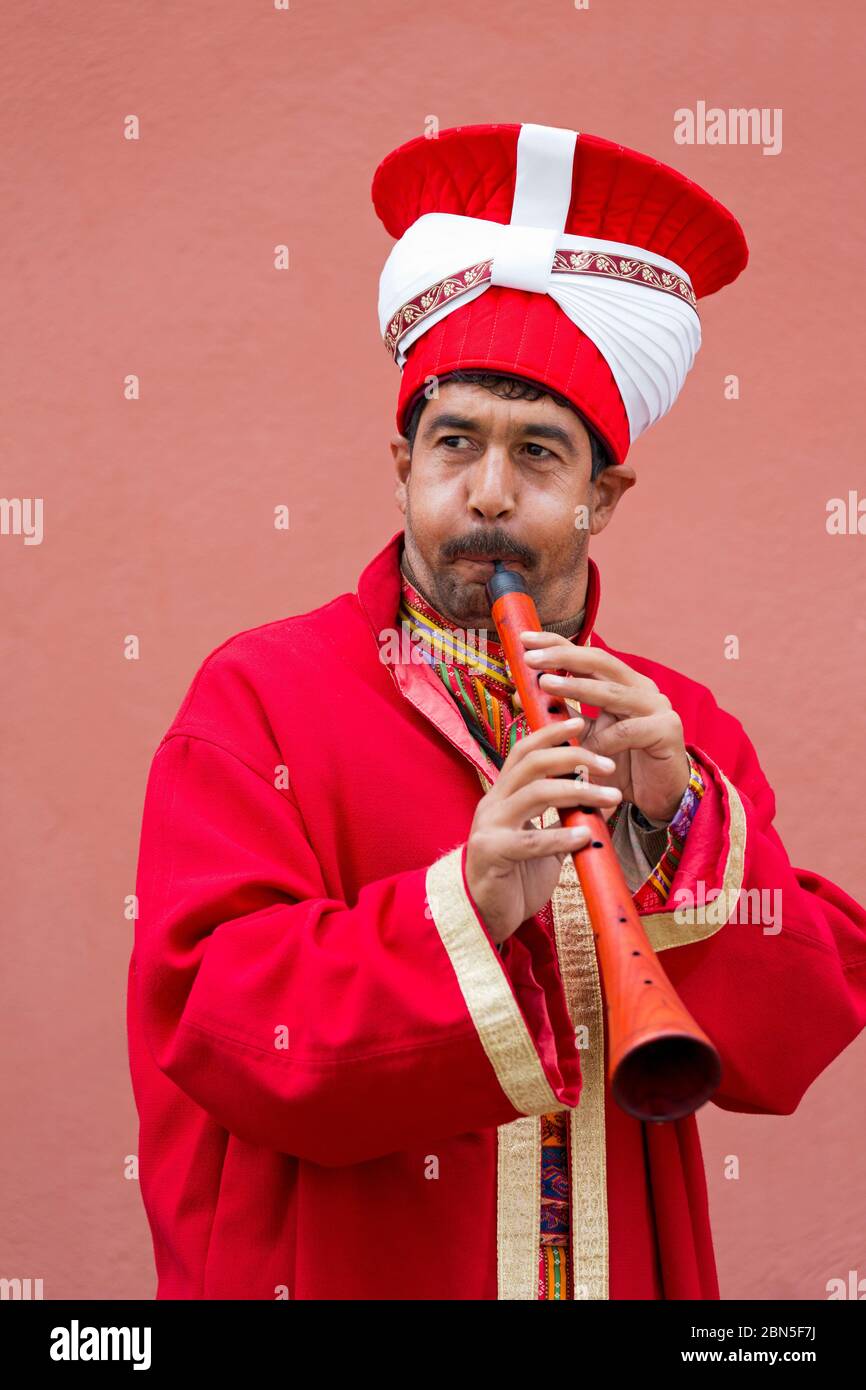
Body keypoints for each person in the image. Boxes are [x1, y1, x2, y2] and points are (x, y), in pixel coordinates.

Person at [127, 122, 866, 1300]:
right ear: (400, 464)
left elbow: (795, 1032)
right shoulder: (259, 694)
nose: (485, 492)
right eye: (453, 442)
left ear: (600, 498)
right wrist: (460, 901)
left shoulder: (673, 726)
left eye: (537, 455)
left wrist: (676, 827)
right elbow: (212, 1020)